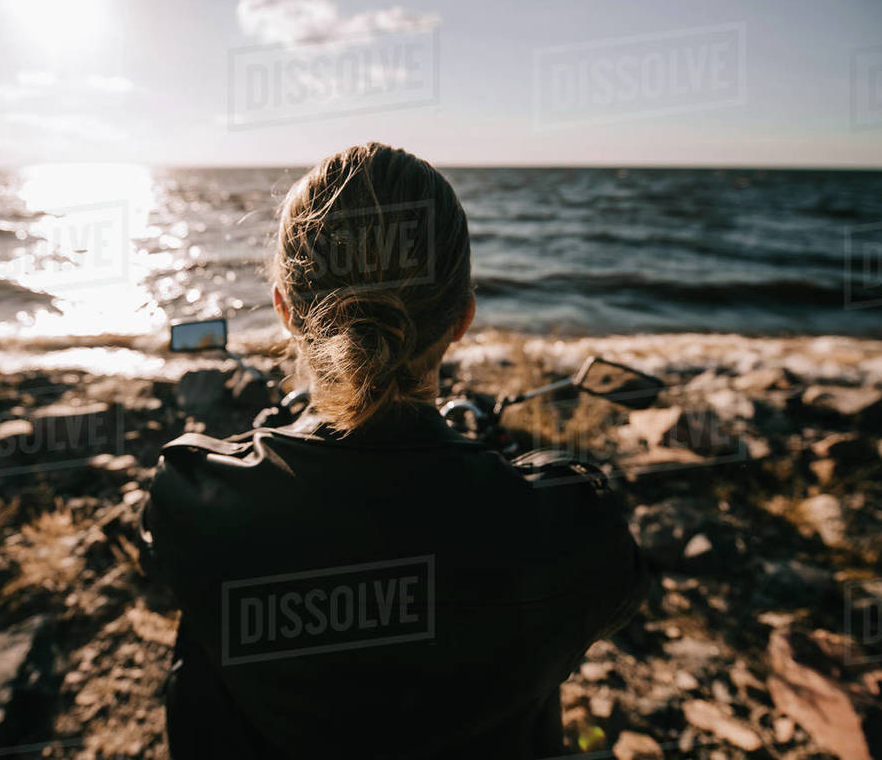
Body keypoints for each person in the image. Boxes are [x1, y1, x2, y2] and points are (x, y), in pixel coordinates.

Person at [142, 142, 648, 759]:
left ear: (286, 312)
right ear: (462, 318)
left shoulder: (192, 495)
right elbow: (617, 591)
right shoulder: (570, 527)